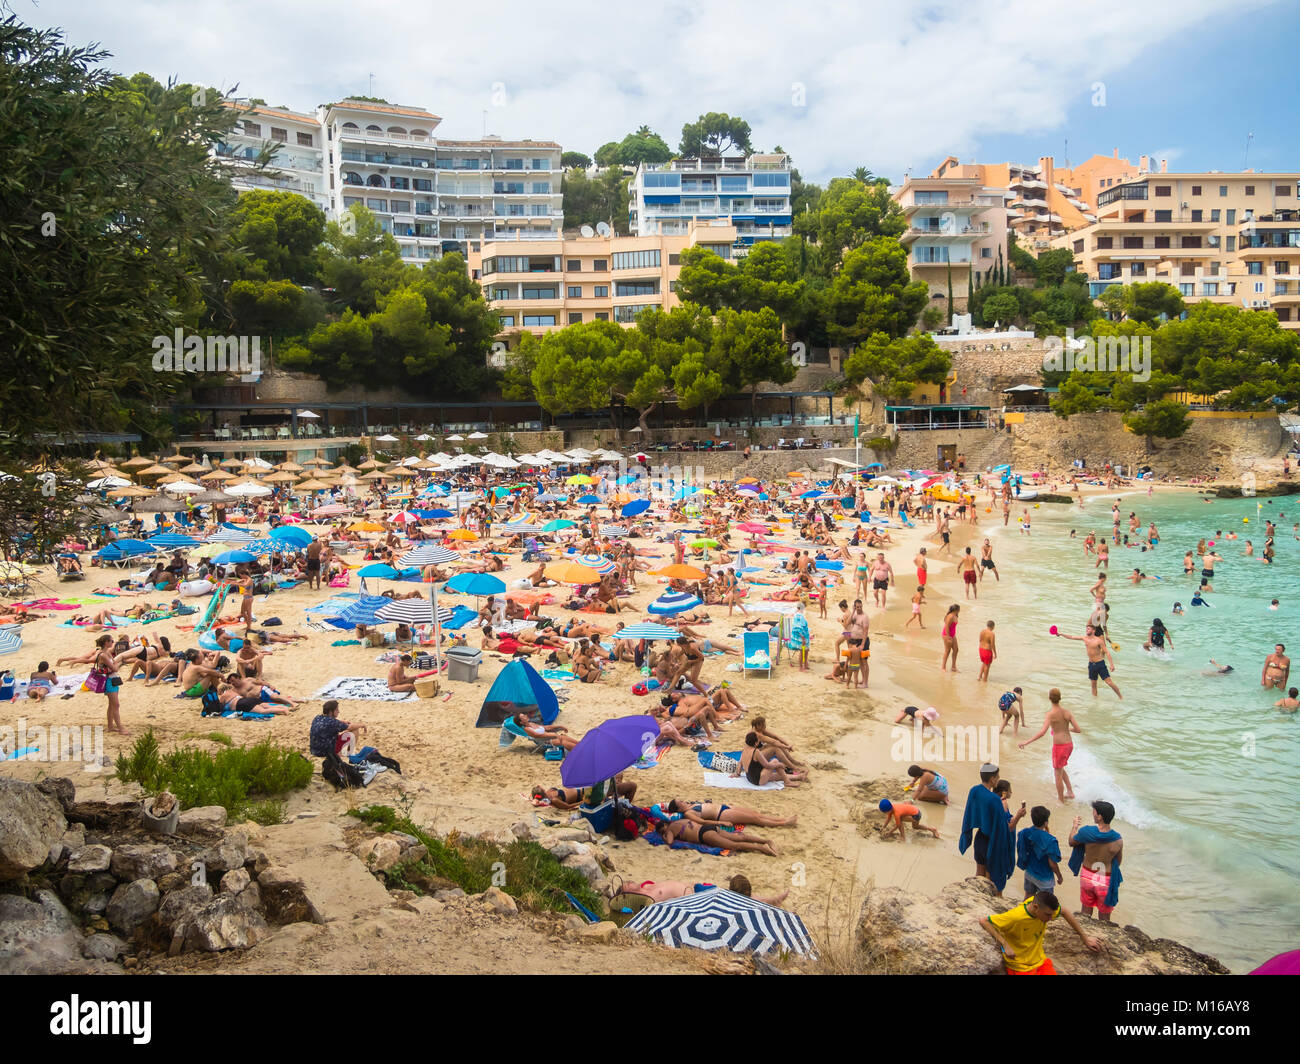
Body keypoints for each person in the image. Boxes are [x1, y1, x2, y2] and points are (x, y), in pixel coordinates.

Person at [979, 891, 1101, 975]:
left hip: (1040, 960)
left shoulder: (1042, 906)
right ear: (1036, 907)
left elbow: (1065, 912)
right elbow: (984, 921)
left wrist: (1085, 938)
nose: (1050, 918)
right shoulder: (1015, 917)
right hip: (1020, 965)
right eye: (1048, 915)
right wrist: (1005, 944)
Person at [959, 763, 1016, 896]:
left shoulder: (974, 790)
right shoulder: (995, 799)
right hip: (992, 842)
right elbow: (1001, 828)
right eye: (997, 777)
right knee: (992, 881)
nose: (998, 779)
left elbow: (969, 813)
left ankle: (975, 897)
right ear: (992, 779)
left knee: (979, 874)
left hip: (980, 839)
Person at [1019, 688, 1081, 803]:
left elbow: (1042, 732)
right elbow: (1078, 730)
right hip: (1069, 745)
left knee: (1057, 773)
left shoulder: (1050, 714)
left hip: (1060, 747)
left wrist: (1026, 742)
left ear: (1049, 698)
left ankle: (1061, 801)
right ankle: (1070, 792)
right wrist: (1066, 729)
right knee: (1060, 768)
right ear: (1060, 698)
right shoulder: (1067, 712)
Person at [1068, 800, 1124, 922]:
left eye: (1094, 812)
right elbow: (1118, 862)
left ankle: (1085, 936)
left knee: (1085, 914)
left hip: (1087, 876)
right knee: (1104, 917)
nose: (1092, 814)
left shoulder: (1086, 832)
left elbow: (1071, 842)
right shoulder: (1118, 840)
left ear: (1100, 817)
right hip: (1105, 879)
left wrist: (1075, 827)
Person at [1053, 624, 1121, 699]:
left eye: (1088, 629)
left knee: (1109, 682)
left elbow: (1107, 652)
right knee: (1093, 685)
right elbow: (1072, 637)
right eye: (1086, 629)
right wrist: (1061, 634)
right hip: (1091, 665)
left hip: (1100, 664)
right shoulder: (1084, 638)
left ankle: (1120, 697)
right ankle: (1095, 701)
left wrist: (1112, 665)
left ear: (1093, 630)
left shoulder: (1099, 640)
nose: (1086, 630)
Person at [657, 815, 782, 856]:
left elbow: (669, 842)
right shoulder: (680, 820)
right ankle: (766, 841)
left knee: (734, 845)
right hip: (708, 828)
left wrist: (664, 836)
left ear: (664, 827)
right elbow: (702, 821)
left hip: (704, 835)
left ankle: (761, 848)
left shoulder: (669, 831)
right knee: (739, 837)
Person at [1017, 806, 1064, 899]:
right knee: (1046, 903)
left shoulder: (1025, 832)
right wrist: (1059, 876)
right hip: (1044, 879)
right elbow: (1052, 864)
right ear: (1046, 822)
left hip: (1029, 873)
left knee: (1028, 897)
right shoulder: (1050, 840)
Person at [664, 799, 797, 828]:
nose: (682, 801)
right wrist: (721, 822)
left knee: (756, 814)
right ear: (678, 808)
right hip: (722, 815)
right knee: (755, 818)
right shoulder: (688, 813)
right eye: (679, 802)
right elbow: (702, 822)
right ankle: (784, 823)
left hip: (724, 807)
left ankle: (781, 819)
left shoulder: (689, 804)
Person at [738, 731, 806, 787]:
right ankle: (787, 782)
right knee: (775, 761)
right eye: (758, 741)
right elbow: (767, 765)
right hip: (758, 779)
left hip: (750, 778)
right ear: (755, 743)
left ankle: (799, 777)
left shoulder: (745, 749)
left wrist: (737, 773)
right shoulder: (756, 751)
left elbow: (740, 762)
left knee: (777, 775)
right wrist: (779, 765)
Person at [940, 603, 960, 672]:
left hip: (953, 635)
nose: (959, 611)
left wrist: (952, 636)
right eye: (959, 610)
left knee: (956, 650)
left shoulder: (955, 615)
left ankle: (953, 667)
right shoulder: (950, 616)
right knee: (947, 651)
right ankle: (943, 667)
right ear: (956, 610)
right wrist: (948, 637)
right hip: (946, 635)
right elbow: (946, 627)